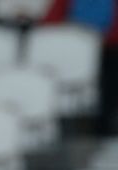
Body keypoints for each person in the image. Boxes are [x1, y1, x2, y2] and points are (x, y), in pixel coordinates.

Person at [40, 0, 118, 136]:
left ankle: (104, 126)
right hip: (72, 49)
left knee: (110, 79)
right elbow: (50, 23)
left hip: (108, 49)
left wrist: (98, 41)